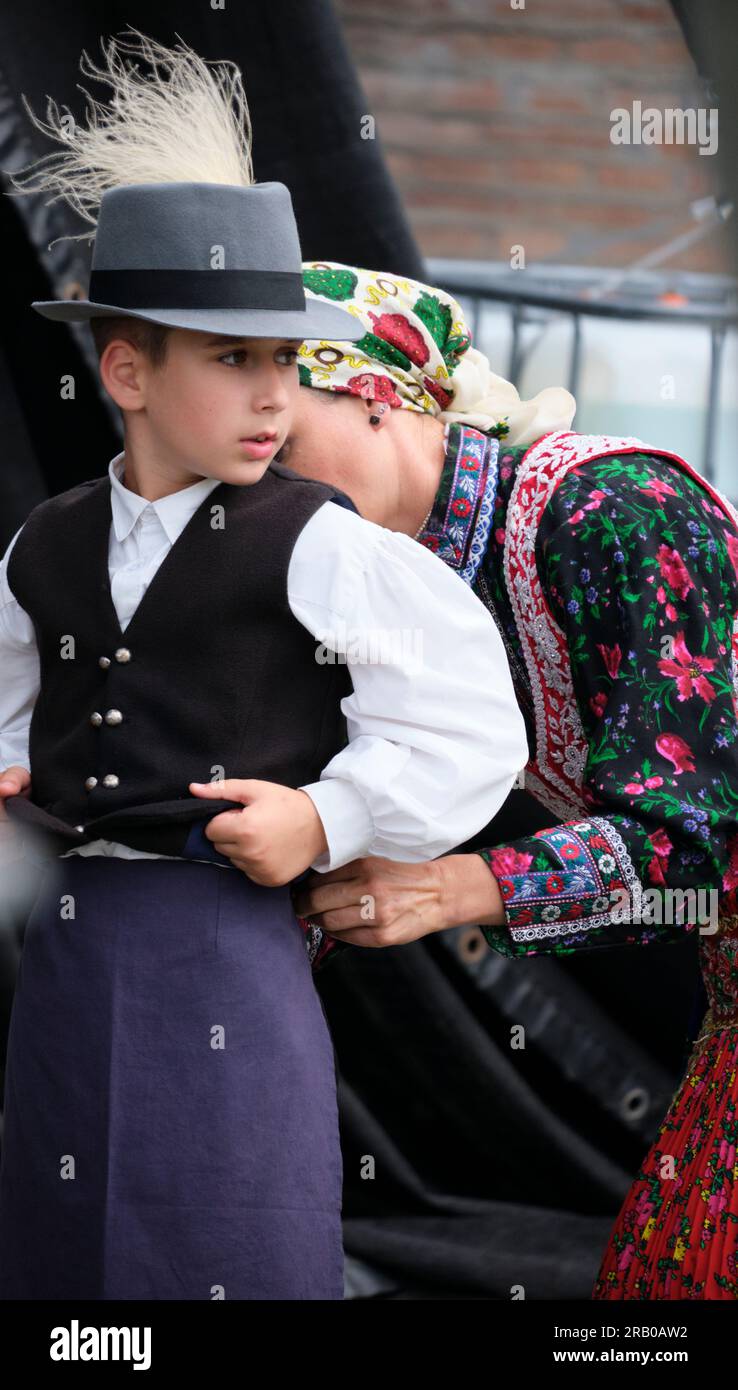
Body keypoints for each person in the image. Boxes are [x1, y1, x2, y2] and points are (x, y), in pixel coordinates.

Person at [0, 32, 528, 1300]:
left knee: (225, 1236)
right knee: (72, 1267)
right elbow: (16, 696)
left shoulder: (321, 547)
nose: (272, 398)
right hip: (72, 960)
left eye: (287, 362)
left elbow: (469, 720)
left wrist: (327, 812)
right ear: (126, 369)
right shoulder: (47, 543)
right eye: (232, 357)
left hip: (228, 950)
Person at [274, 261, 738, 1300]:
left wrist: (442, 889)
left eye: (286, 445)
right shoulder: (391, 592)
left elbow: (684, 843)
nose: (271, 495)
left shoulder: (615, 509)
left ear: (378, 395)